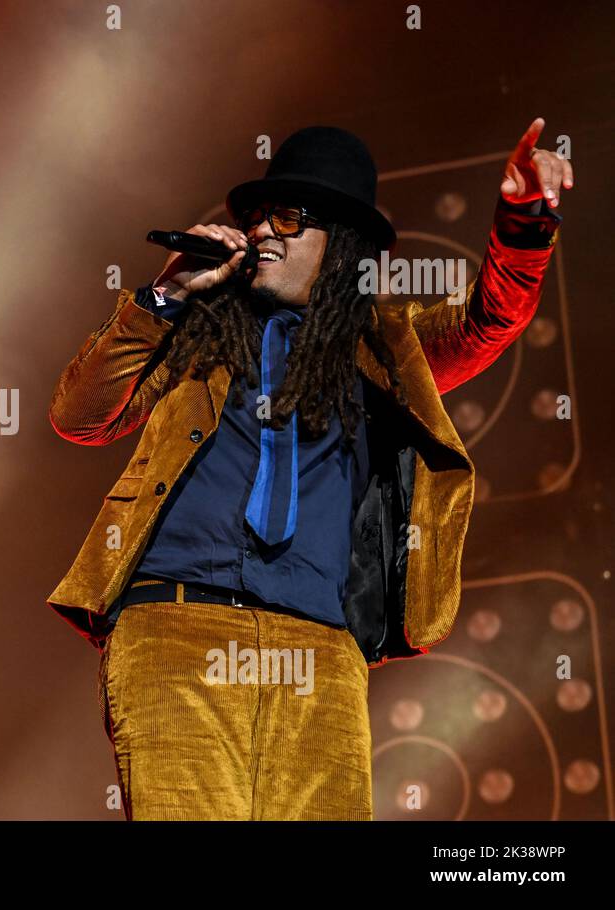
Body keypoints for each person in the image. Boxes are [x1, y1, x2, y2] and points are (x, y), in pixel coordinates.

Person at [46, 120, 570, 820]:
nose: (264, 230)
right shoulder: (196, 327)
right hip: (177, 633)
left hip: (318, 655)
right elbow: (80, 416)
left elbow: (485, 320)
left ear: (340, 241)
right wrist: (164, 298)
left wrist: (524, 220)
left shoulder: (383, 349)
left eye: (289, 218)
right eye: (258, 215)